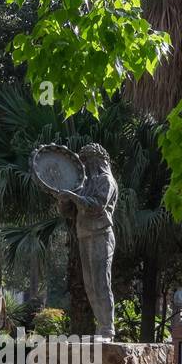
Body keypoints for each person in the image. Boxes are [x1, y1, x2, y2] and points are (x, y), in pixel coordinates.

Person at [54, 143, 118, 340]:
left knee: (101, 281)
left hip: (101, 234)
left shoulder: (106, 180)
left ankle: (107, 328)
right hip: (84, 234)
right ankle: (101, 327)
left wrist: (73, 196)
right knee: (90, 284)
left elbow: (97, 206)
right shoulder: (84, 184)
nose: (84, 166)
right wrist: (63, 200)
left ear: (97, 161)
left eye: (87, 161)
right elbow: (69, 212)